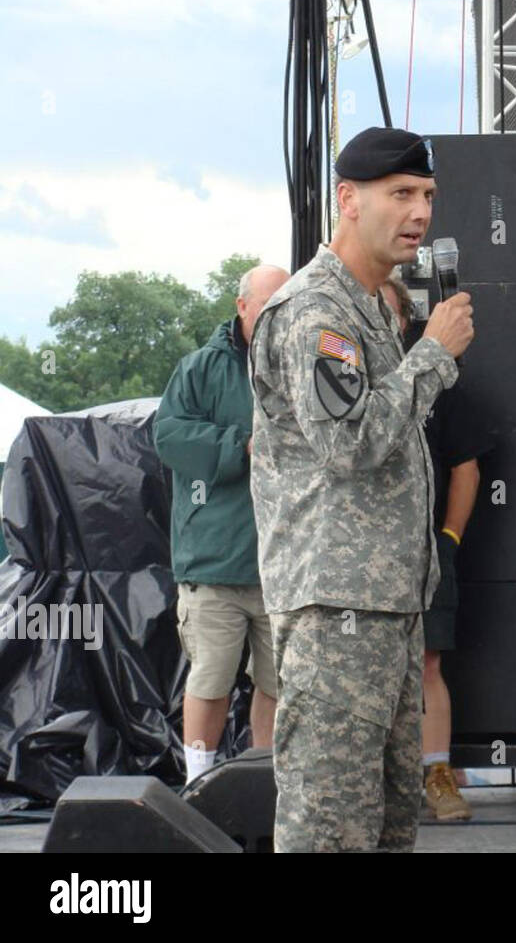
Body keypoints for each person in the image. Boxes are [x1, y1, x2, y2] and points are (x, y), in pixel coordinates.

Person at [248, 127, 474, 852]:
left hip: (385, 608)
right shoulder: (316, 310)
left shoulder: (373, 306)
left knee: (384, 826)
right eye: (401, 194)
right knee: (330, 828)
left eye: (428, 196)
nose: (420, 213)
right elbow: (350, 443)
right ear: (347, 200)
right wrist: (433, 354)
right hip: (336, 612)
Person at [155, 263, 289, 784]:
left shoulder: (307, 361)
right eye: (268, 304)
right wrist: (244, 446)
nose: (278, 315)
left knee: (277, 685)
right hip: (213, 568)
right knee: (209, 681)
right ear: (242, 307)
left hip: (282, 569)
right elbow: (168, 436)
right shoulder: (198, 368)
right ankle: (196, 783)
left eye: (286, 304)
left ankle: (266, 784)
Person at [381, 277, 494, 822]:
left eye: (387, 306)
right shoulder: (343, 370)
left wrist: (448, 537)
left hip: (425, 552)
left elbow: (466, 466)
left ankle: (438, 775)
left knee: (427, 664)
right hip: (359, 558)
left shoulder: (437, 379)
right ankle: (373, 781)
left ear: (407, 319)